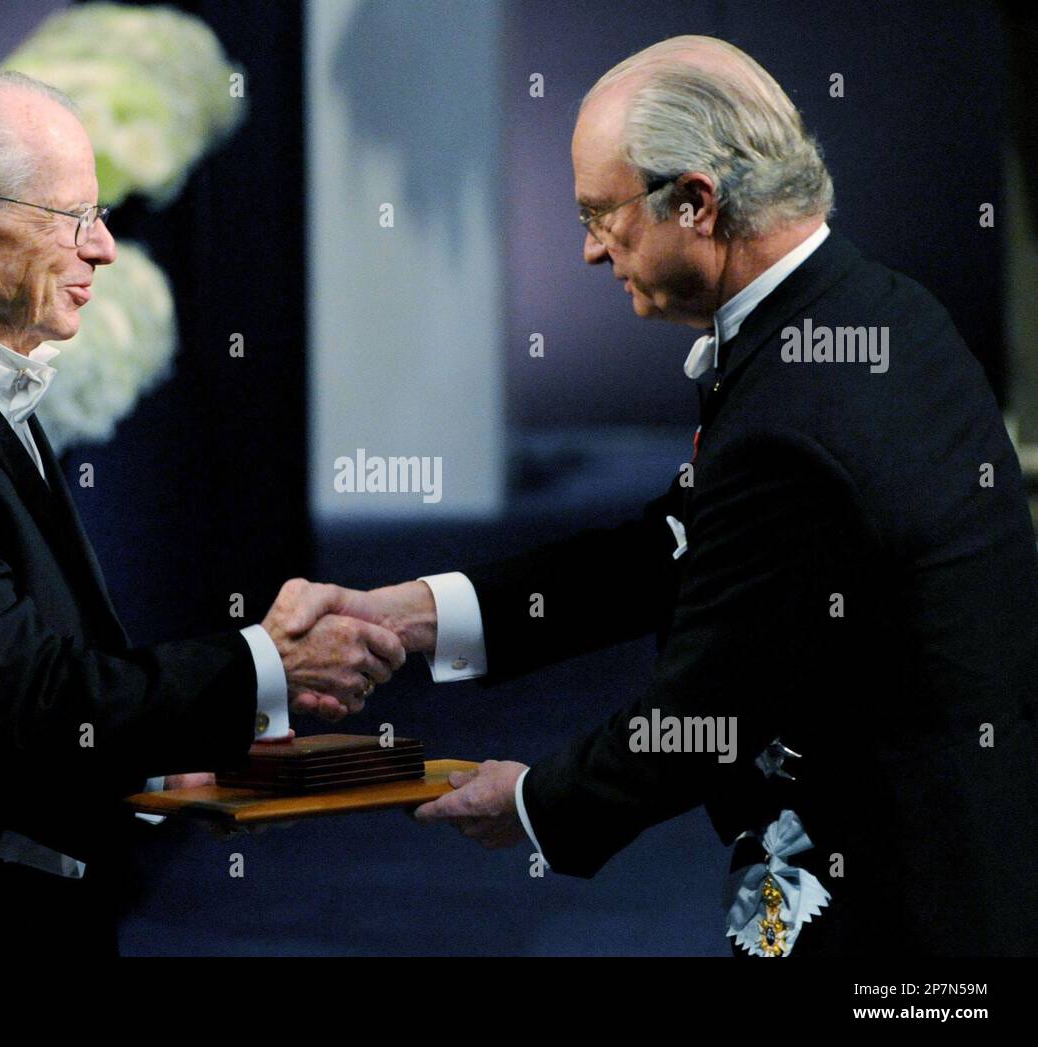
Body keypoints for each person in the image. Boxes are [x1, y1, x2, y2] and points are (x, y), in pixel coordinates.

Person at [314, 35, 1038, 956]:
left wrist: (536, 802)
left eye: (599, 215)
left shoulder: (795, 409)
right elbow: (671, 544)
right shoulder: (879, 312)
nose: (586, 251)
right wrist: (414, 615)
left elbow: (709, 710)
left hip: (892, 915)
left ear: (694, 202)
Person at [0, 66, 404, 961]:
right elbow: (25, 702)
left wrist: (148, 760)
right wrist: (268, 663)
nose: (103, 247)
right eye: (74, 219)